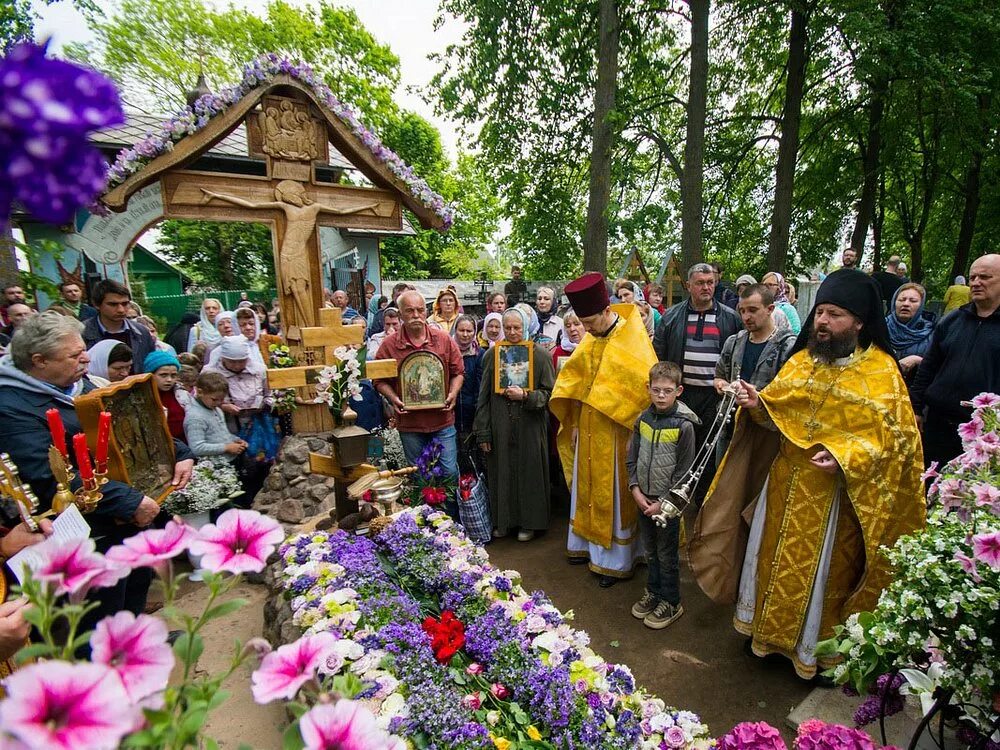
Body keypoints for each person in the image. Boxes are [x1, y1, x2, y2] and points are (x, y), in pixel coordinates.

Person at [689, 269, 925, 681]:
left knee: (819, 577)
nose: (822, 322)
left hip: (834, 499)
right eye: (820, 312)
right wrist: (755, 404)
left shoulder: (882, 373)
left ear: (859, 322)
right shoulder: (801, 361)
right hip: (783, 486)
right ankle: (762, 635)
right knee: (768, 559)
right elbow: (775, 416)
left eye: (834, 314)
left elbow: (896, 443)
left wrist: (845, 456)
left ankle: (811, 652)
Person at [0, 313, 194, 628]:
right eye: (74, 355)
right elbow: (50, 478)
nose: (86, 358)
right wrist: (129, 501)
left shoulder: (79, 384)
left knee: (135, 585)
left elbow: (130, 424)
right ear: (40, 361)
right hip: (90, 530)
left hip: (127, 515)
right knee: (102, 610)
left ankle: (132, 648)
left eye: (83, 350)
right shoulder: (12, 408)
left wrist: (182, 453)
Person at [550, 272, 658, 587]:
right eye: (582, 323)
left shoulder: (631, 337)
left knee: (613, 491)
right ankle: (585, 547)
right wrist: (573, 422)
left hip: (617, 429)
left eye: (590, 321)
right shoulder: (592, 336)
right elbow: (579, 382)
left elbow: (642, 388)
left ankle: (615, 561)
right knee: (588, 488)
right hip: (587, 425)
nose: (585, 328)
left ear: (607, 311)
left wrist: (634, 437)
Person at [653, 263, 741, 505]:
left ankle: (704, 501)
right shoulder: (671, 316)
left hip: (715, 396)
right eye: (700, 283)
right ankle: (677, 499)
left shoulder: (731, 318)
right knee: (680, 447)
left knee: (709, 449)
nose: (706, 287)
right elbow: (658, 354)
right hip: (682, 395)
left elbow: (737, 354)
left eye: (710, 282)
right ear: (689, 285)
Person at [373, 290, 465, 517]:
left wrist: (452, 393)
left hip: (442, 421)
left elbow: (458, 372)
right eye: (409, 311)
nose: (416, 315)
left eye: (420, 310)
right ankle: (428, 522)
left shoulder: (443, 339)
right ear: (400, 314)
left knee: (449, 472)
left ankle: (452, 523)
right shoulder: (389, 345)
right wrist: (393, 398)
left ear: (426, 311)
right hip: (410, 425)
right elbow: (378, 380)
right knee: (421, 476)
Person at [910, 254, 1000, 467]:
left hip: (984, 432)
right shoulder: (951, 320)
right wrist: (915, 407)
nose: (976, 283)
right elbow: (929, 366)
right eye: (973, 277)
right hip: (937, 425)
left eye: (985, 277)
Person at [626, 362, 697, 629]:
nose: (661, 396)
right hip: (643, 498)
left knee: (667, 555)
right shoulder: (642, 419)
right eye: (656, 390)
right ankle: (653, 593)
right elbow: (632, 458)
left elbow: (685, 472)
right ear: (648, 388)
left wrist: (664, 503)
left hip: (666, 505)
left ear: (679, 390)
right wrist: (635, 489)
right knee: (651, 552)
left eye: (667, 391)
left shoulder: (684, 426)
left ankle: (671, 601)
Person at [475, 307, 555, 541]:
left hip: (530, 424)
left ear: (525, 328)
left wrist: (527, 396)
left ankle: (530, 523)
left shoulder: (540, 355)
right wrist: (483, 432)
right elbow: (484, 396)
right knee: (501, 471)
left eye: (516, 327)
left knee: (529, 472)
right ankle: (504, 521)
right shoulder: (492, 355)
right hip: (500, 424)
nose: (511, 332)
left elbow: (550, 394)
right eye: (507, 327)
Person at [713, 284, 796, 461]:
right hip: (730, 430)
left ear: (770, 309)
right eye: (742, 311)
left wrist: (756, 398)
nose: (746, 317)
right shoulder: (734, 342)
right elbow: (718, 377)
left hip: (766, 433)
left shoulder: (787, 346)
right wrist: (727, 387)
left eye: (752, 310)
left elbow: (791, 397)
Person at [82, 279, 155, 372]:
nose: (121, 309)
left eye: (125, 304)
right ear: (97, 304)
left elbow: (151, 365)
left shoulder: (141, 332)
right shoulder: (82, 333)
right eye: (113, 304)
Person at [203, 336, 268, 432]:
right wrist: (222, 406)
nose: (237, 366)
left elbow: (269, 393)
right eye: (232, 362)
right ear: (223, 358)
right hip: (225, 427)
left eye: (242, 361)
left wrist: (263, 404)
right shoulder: (210, 373)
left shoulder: (259, 370)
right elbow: (201, 400)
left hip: (258, 424)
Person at [886, 283, 934, 384]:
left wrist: (918, 361)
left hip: (914, 390)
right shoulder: (880, 327)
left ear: (921, 305)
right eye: (902, 300)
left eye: (913, 301)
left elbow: (937, 366)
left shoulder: (931, 333)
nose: (906, 304)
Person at [144, 350, 189, 441]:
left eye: (173, 375)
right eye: (163, 375)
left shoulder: (182, 395)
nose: (169, 380)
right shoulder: (142, 399)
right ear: (150, 375)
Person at [453, 314, 482, 444]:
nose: (465, 334)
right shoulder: (448, 352)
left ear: (474, 332)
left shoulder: (479, 354)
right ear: (455, 330)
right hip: (451, 412)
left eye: (469, 331)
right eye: (461, 330)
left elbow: (479, 385)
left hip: (471, 410)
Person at [534, 286, 563, 350]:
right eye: (539, 299)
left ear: (553, 302)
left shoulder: (561, 324)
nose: (542, 302)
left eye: (546, 299)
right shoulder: (531, 322)